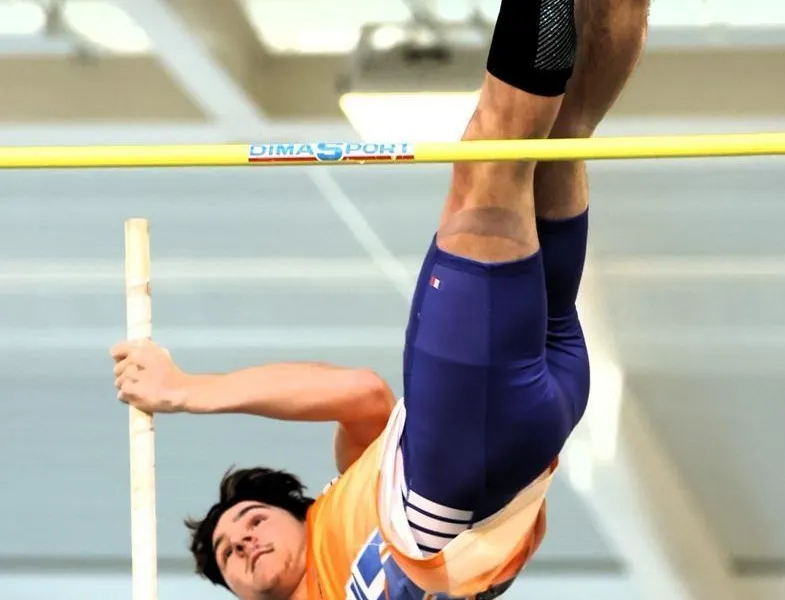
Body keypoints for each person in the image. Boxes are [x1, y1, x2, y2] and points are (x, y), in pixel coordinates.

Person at [110, 1, 649, 598]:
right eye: (230, 554)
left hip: (495, 428)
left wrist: (185, 390)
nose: (244, 543)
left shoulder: (353, 489)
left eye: (250, 522)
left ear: (297, 511)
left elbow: (360, 393)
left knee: (560, 138)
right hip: (474, 468)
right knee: (491, 157)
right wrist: (180, 392)